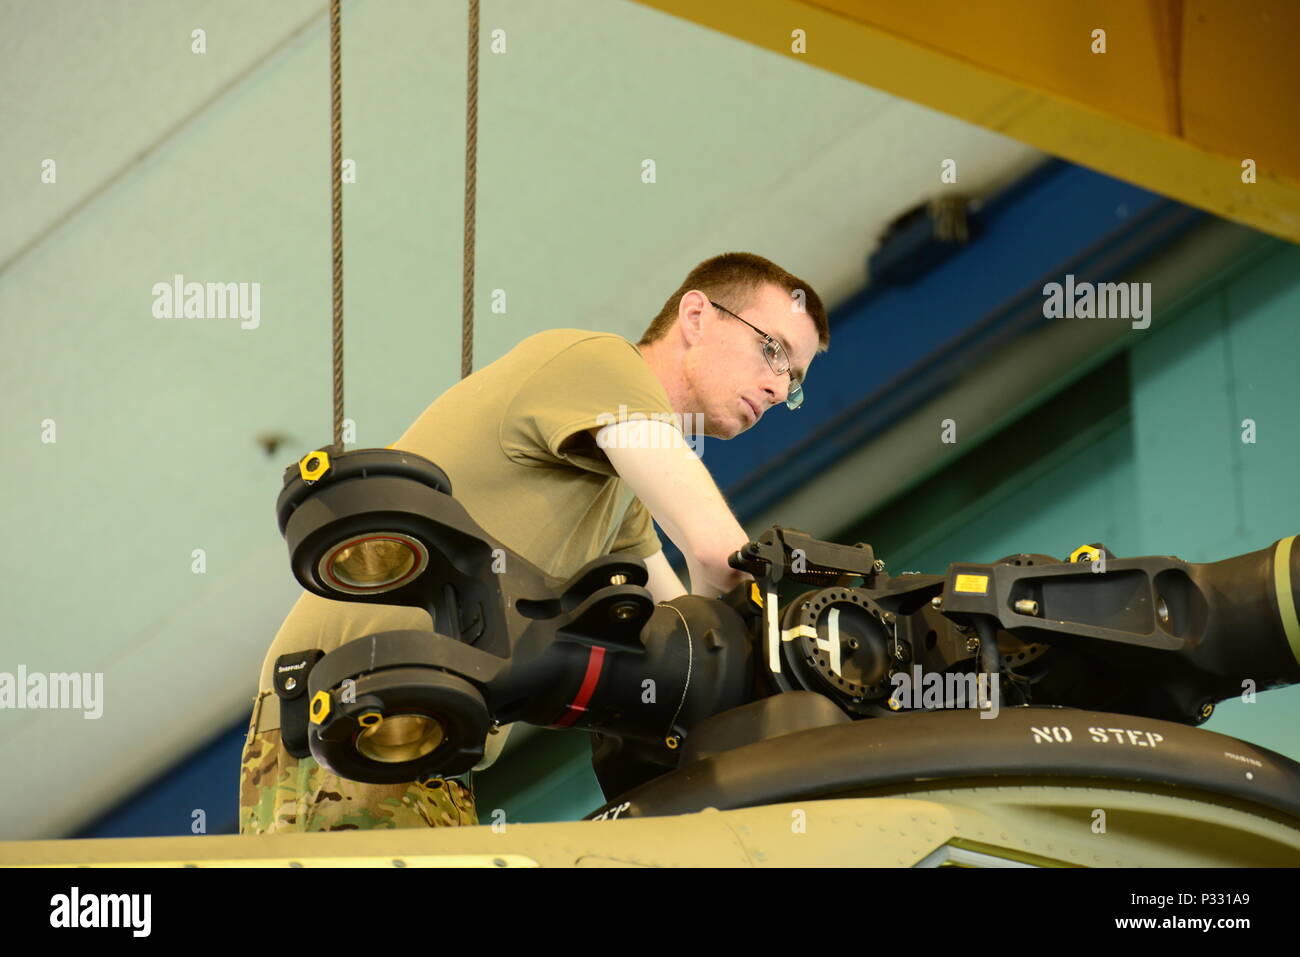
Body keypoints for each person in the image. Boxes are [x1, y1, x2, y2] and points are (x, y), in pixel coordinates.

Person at [238, 251, 830, 833]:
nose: (778, 388)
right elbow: (716, 559)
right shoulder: (597, 364)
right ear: (696, 317)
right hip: (346, 726)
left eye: (794, 379)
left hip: (422, 750)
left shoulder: (617, 500)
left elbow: (687, 632)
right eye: (771, 350)